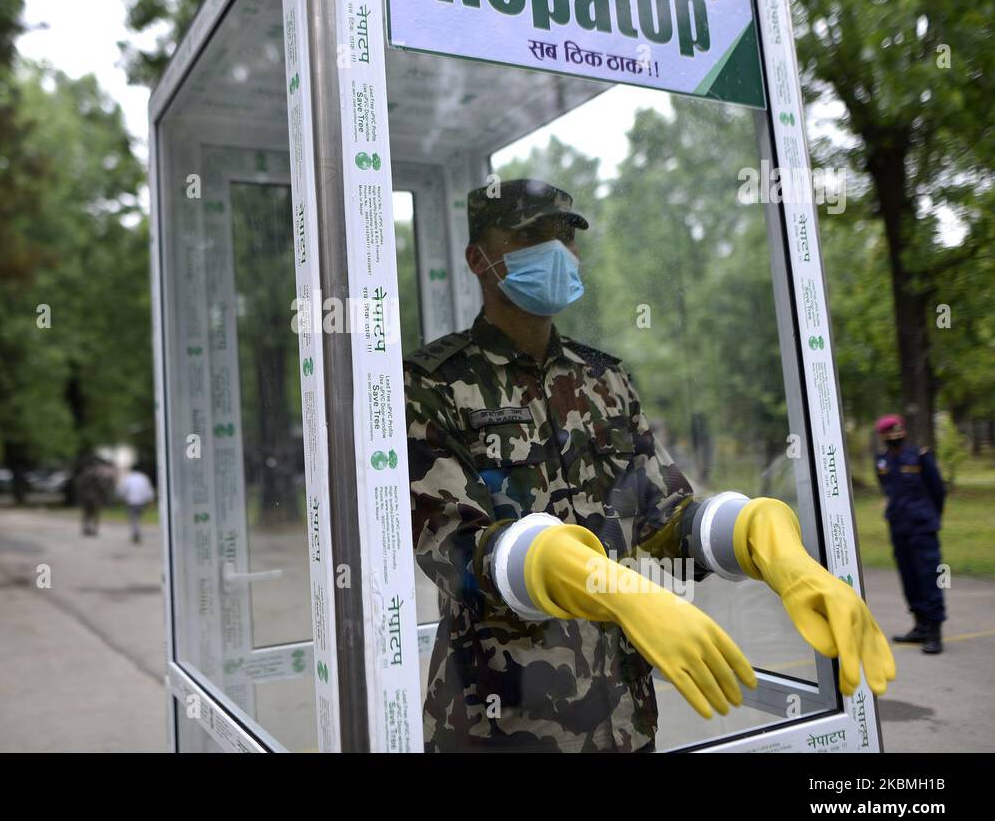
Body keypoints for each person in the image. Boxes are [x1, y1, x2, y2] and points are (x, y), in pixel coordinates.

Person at [404, 178, 896, 752]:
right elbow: (453, 549)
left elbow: (665, 519)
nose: (556, 250)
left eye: (565, 235)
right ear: (478, 257)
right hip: (497, 726)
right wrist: (603, 583)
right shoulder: (430, 384)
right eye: (530, 235)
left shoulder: (603, 380)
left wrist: (758, 535)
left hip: (621, 719)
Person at [874, 414, 946, 654]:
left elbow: (938, 490)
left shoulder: (920, 457)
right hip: (899, 528)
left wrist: (931, 517)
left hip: (922, 528)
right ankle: (920, 626)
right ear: (883, 437)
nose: (894, 437)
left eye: (897, 433)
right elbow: (887, 491)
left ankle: (935, 632)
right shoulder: (881, 461)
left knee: (928, 577)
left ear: (903, 433)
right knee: (909, 578)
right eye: (889, 434)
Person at [74, 456, 115, 537]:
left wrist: (80, 496)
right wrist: (105, 496)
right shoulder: (97, 476)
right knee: (95, 514)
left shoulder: (84, 475)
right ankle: (94, 529)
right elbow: (102, 487)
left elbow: (79, 486)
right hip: (95, 497)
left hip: (85, 497)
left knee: (86, 514)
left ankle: (86, 528)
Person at [117, 465, 155, 544]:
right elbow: (148, 490)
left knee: (133, 518)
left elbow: (123, 490)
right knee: (138, 517)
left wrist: (122, 498)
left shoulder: (128, 478)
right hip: (141, 502)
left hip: (131, 502)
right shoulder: (144, 478)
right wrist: (150, 501)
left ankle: (135, 532)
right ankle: (137, 531)